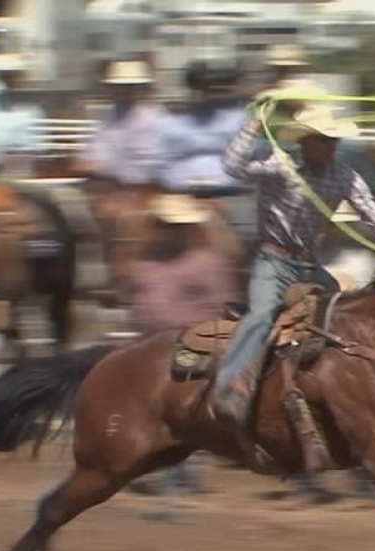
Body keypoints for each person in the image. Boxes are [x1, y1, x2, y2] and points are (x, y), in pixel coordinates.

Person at [210, 101, 375, 448]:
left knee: (347, 311)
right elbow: (232, 167)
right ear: (305, 141)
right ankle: (230, 389)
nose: (330, 146)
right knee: (262, 314)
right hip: (273, 260)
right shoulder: (280, 163)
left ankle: (343, 391)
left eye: (333, 140)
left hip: (308, 263)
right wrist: (252, 127)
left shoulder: (344, 177)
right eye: (323, 139)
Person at [126, 193, 240, 498]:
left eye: (175, 225)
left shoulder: (206, 262)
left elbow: (223, 306)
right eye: (164, 224)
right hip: (151, 348)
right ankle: (166, 470)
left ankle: (180, 475)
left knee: (181, 412)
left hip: (192, 345)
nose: (169, 231)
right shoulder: (145, 260)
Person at [161, 61, 253, 245]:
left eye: (218, 84)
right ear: (194, 87)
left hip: (232, 195)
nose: (212, 89)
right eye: (204, 84)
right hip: (184, 196)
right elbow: (165, 161)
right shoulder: (175, 121)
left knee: (248, 236)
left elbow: (250, 158)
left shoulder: (242, 118)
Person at [84, 60, 168, 190]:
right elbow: (94, 152)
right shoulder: (109, 116)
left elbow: (149, 165)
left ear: (141, 89)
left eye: (128, 86)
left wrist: (102, 166)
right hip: (110, 186)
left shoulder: (154, 118)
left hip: (144, 188)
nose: (121, 91)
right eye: (117, 87)